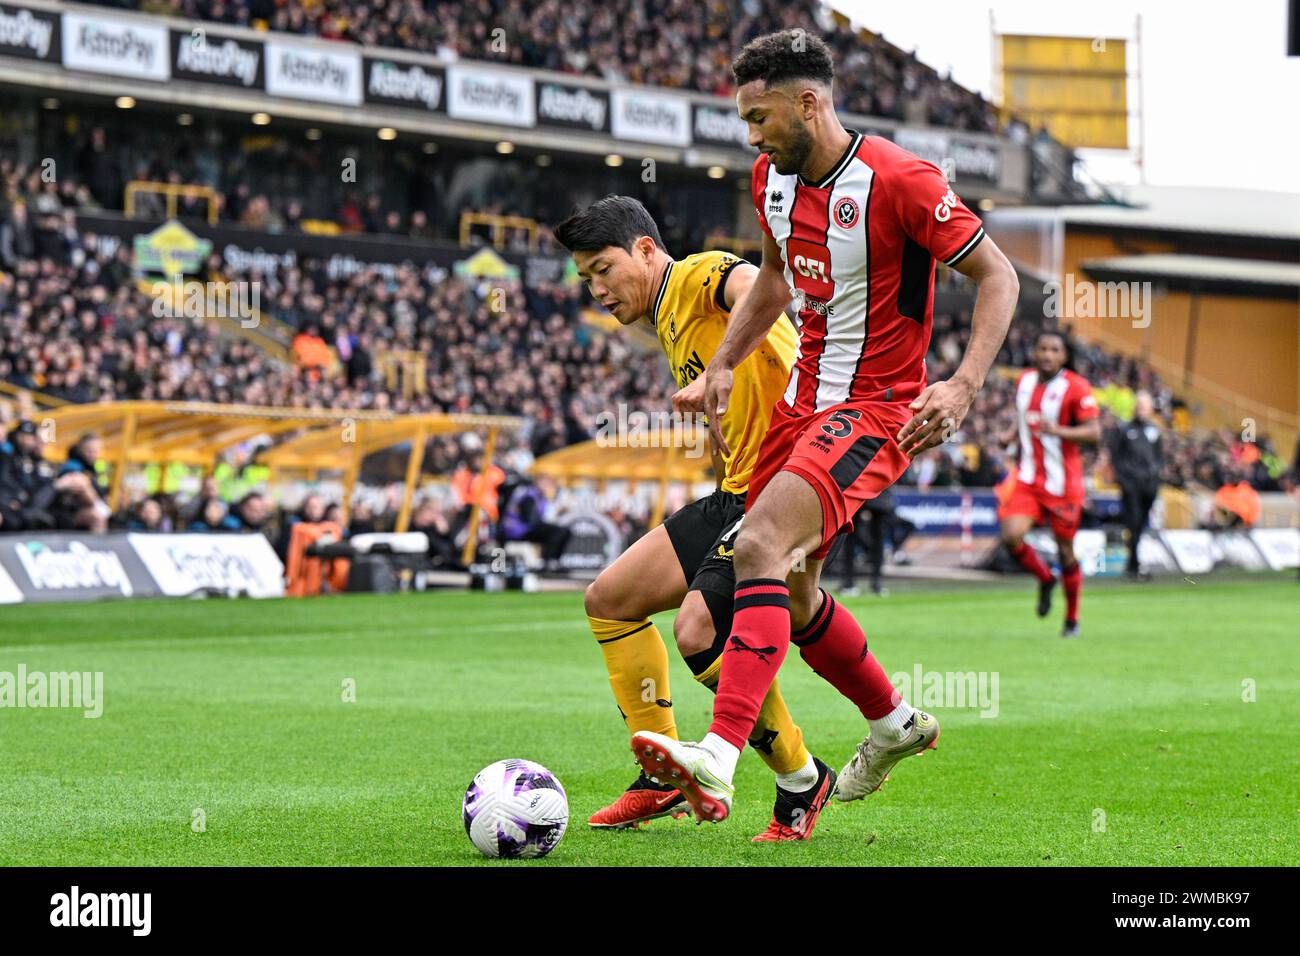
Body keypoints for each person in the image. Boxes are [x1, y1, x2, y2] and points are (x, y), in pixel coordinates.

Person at [636, 30, 1018, 824]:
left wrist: (963, 384)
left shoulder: (899, 180)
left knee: (758, 548)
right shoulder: (768, 180)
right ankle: (894, 724)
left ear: (809, 102)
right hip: (799, 413)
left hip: (876, 410)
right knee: (791, 590)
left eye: (760, 116)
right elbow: (774, 281)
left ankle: (718, 756)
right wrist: (724, 365)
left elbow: (998, 274)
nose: (751, 135)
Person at [554, 195, 838, 840]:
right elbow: (726, 412)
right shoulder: (666, 320)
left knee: (696, 629)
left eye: (603, 269)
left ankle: (799, 777)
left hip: (789, 483)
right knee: (611, 598)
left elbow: (764, 289)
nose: (596, 289)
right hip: (738, 488)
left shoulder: (696, 277)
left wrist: (721, 366)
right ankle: (662, 776)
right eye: (585, 278)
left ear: (647, 250)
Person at [999, 331, 1101, 637]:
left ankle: (1071, 619)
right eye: (1042, 348)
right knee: (1011, 535)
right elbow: (1023, 419)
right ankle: (1045, 579)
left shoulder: (1076, 387)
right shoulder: (1024, 381)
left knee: (1065, 551)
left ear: (1064, 356)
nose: (1047, 354)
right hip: (1028, 478)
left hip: (1062, 484)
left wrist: (1057, 430)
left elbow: (1094, 433)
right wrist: (1011, 435)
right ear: (1034, 352)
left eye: (1054, 350)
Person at [1106, 390, 1163, 579]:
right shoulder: (1124, 429)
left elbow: (1159, 457)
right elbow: (1117, 458)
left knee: (1140, 525)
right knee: (1133, 523)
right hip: (1131, 486)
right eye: (1139, 405)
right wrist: (1125, 481)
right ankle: (1133, 564)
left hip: (1149, 486)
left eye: (1144, 406)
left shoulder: (1154, 430)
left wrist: (1155, 478)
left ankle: (1133, 564)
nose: (1141, 409)